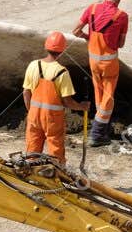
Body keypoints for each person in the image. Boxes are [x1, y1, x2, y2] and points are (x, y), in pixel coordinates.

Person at [73, 0, 129, 146]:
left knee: (99, 92)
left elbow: (76, 31)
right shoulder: (121, 16)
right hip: (109, 63)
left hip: (93, 61)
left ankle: (103, 129)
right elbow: (121, 44)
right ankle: (97, 132)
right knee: (108, 96)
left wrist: (89, 37)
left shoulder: (92, 8)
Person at [22, 32, 86, 163]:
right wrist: (82, 107)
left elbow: (26, 92)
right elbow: (67, 101)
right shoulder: (62, 72)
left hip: (34, 114)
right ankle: (57, 176)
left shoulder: (33, 65)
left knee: (32, 150)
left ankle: (30, 175)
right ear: (62, 50)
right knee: (55, 151)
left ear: (46, 47)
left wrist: (30, 111)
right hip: (52, 118)